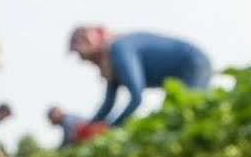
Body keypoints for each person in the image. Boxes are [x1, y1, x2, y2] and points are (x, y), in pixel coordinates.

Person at [69, 26, 212, 127]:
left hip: (193, 65)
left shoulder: (119, 49)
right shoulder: (112, 64)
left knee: (185, 117)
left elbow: (136, 97)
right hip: (189, 69)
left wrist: (111, 128)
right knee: (178, 118)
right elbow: (108, 104)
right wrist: (87, 127)